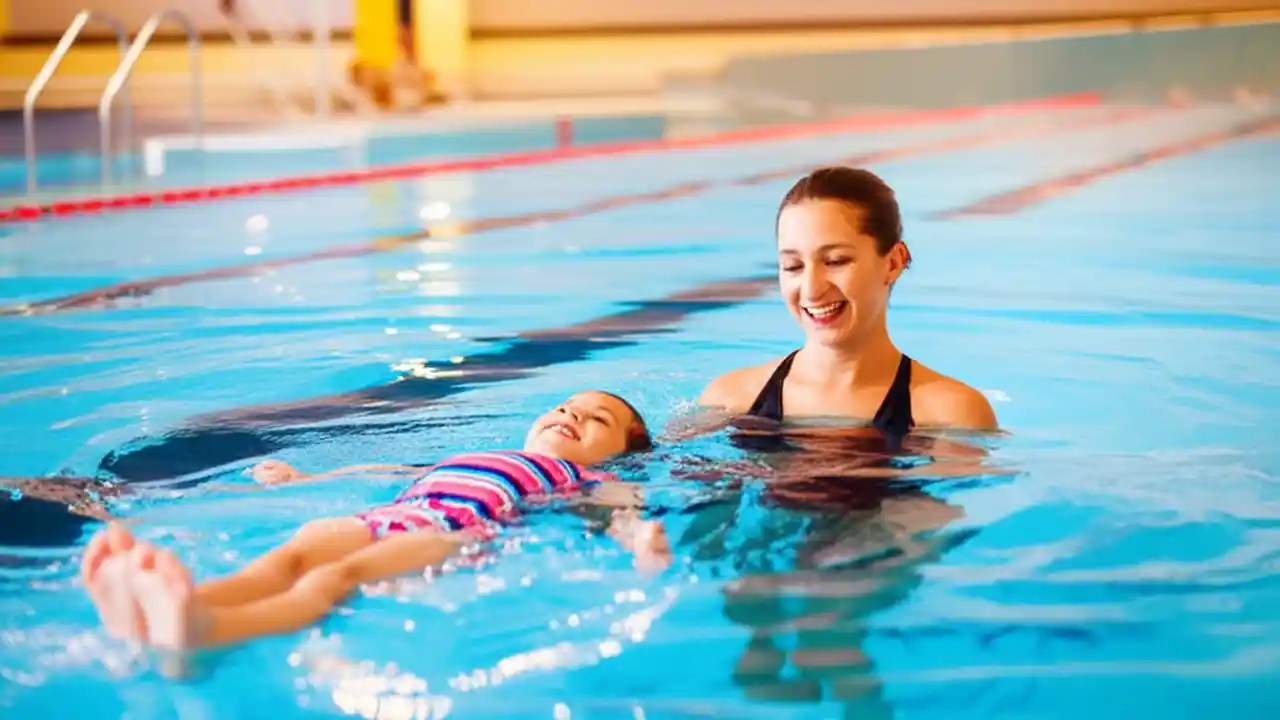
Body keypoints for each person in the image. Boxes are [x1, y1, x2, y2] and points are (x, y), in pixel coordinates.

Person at [80, 391, 668, 663]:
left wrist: (639, 539)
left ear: (615, 452)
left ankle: (209, 626)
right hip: (389, 515)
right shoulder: (473, 456)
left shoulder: (576, 476)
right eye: (566, 406)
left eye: (598, 420)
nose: (572, 416)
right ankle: (180, 606)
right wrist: (303, 480)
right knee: (291, 555)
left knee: (338, 576)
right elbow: (379, 470)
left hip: (454, 533)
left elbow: (618, 510)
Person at [699, 166, 998, 445]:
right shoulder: (729, 402)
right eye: (793, 266)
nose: (812, 290)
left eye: (836, 261)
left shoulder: (951, 415)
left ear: (893, 262)